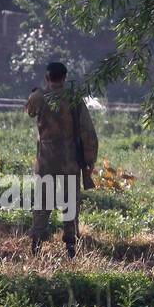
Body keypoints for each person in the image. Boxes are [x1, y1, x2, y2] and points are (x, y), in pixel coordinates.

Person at [25, 61, 98, 257]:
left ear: (47, 78)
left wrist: (35, 93)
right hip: (69, 160)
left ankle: (36, 245)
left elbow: (30, 111)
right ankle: (70, 247)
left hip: (45, 160)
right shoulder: (74, 99)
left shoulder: (38, 97)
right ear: (65, 78)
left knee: (42, 203)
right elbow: (87, 131)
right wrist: (89, 161)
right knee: (70, 204)